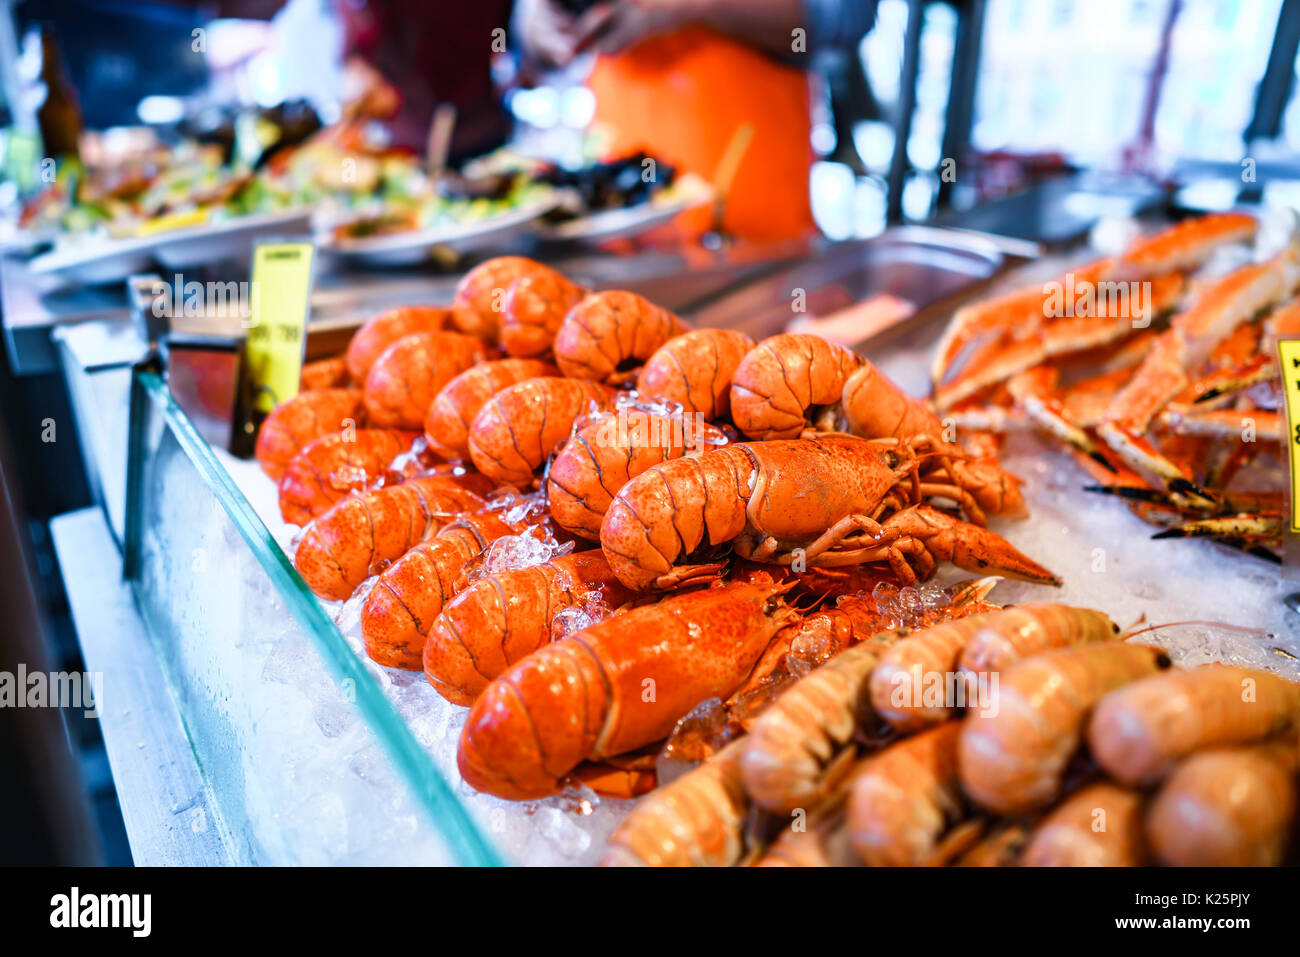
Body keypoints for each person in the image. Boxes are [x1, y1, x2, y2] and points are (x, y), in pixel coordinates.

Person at [517, 0, 877, 241]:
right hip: (617, 223)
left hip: (753, 223)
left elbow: (845, 16)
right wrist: (537, 25)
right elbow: (525, 43)